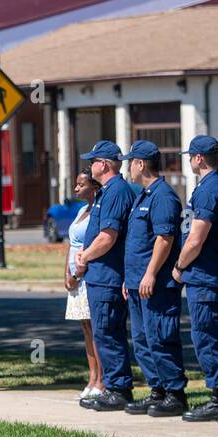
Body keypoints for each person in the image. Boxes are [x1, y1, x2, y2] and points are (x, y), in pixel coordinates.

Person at [171, 136, 218, 422]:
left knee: (208, 337)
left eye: (191, 156)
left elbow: (197, 238)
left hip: (204, 275)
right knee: (213, 336)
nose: (189, 160)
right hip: (207, 274)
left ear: (199, 159)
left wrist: (179, 265)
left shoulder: (210, 189)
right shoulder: (216, 186)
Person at [121, 140, 187, 417]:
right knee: (142, 339)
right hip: (137, 283)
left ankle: (175, 394)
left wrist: (149, 273)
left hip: (156, 284)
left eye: (130, 162)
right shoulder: (143, 195)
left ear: (140, 164)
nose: (127, 167)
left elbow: (164, 238)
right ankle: (157, 391)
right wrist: (131, 278)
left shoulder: (162, 196)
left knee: (160, 337)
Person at [75, 140, 135, 411]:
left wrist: (85, 257)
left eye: (93, 161)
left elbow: (108, 237)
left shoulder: (116, 191)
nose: (90, 166)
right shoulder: (105, 191)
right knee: (102, 332)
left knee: (109, 333)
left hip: (108, 276)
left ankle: (119, 388)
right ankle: (113, 385)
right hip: (99, 276)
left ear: (104, 164)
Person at [64, 167, 102, 407]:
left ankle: (102, 380)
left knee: (97, 330)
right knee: (86, 330)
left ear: (94, 187)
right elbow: (70, 245)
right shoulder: (80, 211)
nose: (76, 188)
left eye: (81, 184)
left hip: (87, 276)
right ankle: (91, 377)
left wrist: (78, 272)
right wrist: (66, 273)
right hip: (75, 277)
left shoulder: (97, 212)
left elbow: (93, 245)